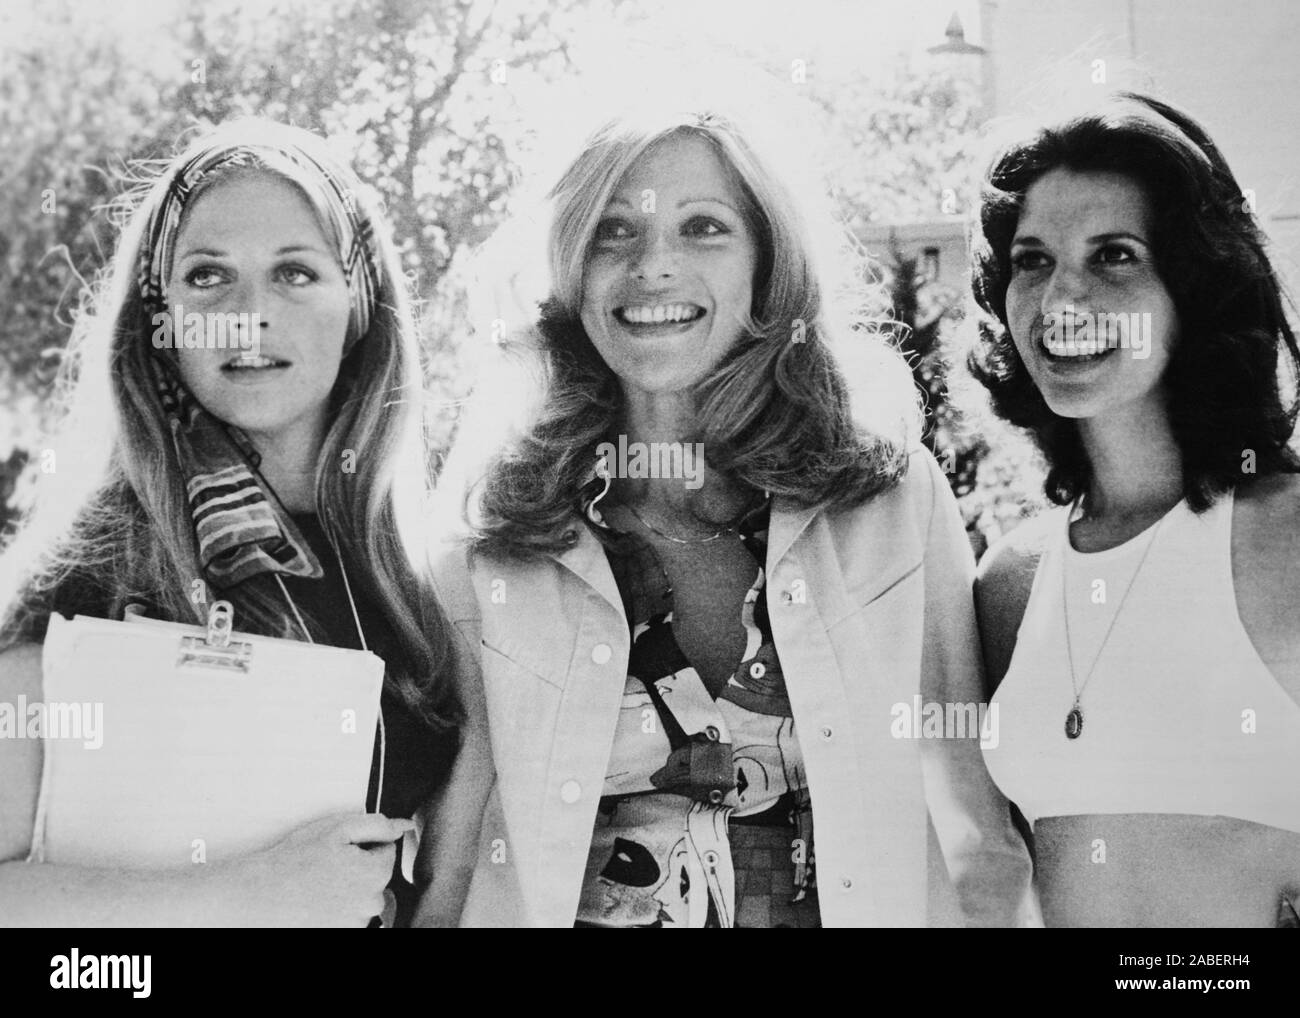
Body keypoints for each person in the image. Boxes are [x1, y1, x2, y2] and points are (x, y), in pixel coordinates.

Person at [426, 99, 1032, 928]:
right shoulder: (493, 541)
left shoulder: (889, 504)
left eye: (703, 227)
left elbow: (969, 819)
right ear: (569, 273)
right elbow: (454, 848)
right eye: (613, 230)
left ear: (766, 273)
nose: (653, 267)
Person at [0, 118, 485, 927]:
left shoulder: (410, 580)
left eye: (295, 272)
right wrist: (237, 895)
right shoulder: (93, 583)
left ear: (360, 306)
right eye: (206, 276)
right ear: (160, 321)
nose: (246, 314)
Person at [968, 91, 1300, 927]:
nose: (1059, 299)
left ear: (1196, 286)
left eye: (1114, 256)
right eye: (1032, 260)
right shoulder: (1011, 581)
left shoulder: (1288, 533)